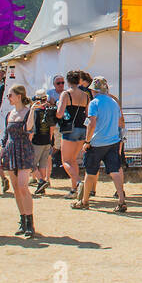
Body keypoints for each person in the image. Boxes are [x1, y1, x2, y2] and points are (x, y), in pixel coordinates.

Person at [71, 77, 127, 212]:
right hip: (113, 141)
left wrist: (87, 141)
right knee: (115, 171)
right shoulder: (114, 102)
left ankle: (84, 201)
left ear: (93, 90)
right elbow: (120, 121)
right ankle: (121, 200)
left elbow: (92, 123)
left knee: (90, 172)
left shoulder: (94, 103)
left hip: (96, 143)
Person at [0, 85, 39, 237]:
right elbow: (6, 136)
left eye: (10, 95)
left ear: (19, 96)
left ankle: (30, 223)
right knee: (16, 188)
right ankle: (22, 220)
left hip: (23, 150)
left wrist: (33, 109)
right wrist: (1, 152)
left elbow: (28, 128)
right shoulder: (9, 113)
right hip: (11, 151)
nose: (8, 98)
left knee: (23, 186)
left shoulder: (28, 112)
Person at [56, 69, 91, 197]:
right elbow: (88, 114)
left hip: (70, 129)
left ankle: (77, 183)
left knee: (65, 160)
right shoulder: (86, 95)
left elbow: (59, 114)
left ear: (68, 81)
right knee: (74, 160)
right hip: (83, 129)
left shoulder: (66, 94)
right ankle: (74, 189)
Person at [28, 92, 58, 194]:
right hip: (47, 141)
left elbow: (31, 128)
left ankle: (41, 181)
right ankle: (42, 186)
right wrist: (49, 140)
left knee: (31, 163)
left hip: (37, 141)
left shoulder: (35, 112)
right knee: (42, 164)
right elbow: (52, 127)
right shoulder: (50, 111)